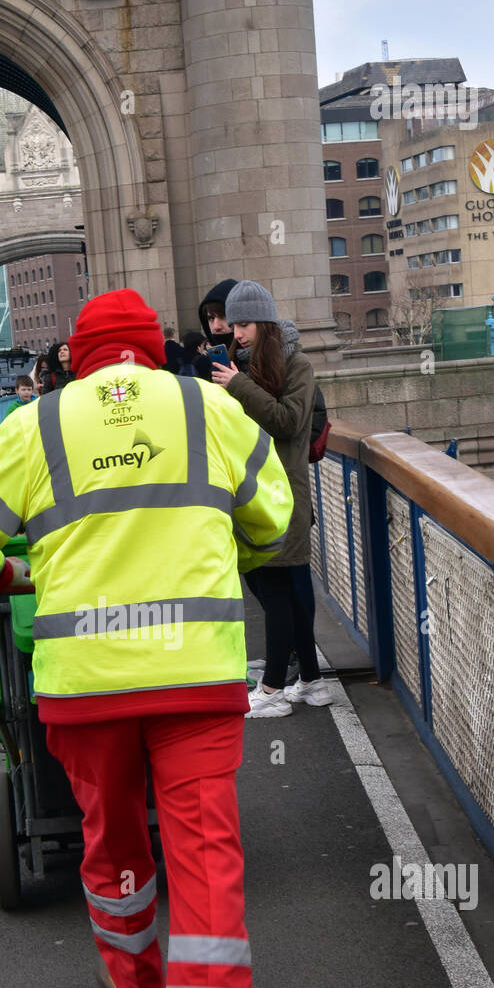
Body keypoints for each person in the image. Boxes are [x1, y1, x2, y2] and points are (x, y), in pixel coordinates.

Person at [0, 288, 294, 988]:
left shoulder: (37, 427)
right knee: (206, 865)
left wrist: (2, 576)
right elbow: (274, 526)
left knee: (113, 837)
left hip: (85, 687)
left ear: (79, 356)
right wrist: (220, 546)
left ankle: (136, 986)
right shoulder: (209, 407)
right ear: (153, 349)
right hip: (195, 681)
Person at [210, 280, 332, 717]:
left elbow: (288, 421)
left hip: (284, 497)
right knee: (287, 594)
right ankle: (313, 681)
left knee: (279, 593)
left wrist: (239, 386)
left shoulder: (296, 365)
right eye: (232, 323)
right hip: (251, 495)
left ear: (264, 322)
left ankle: (273, 689)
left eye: (243, 324)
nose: (235, 332)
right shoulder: (242, 366)